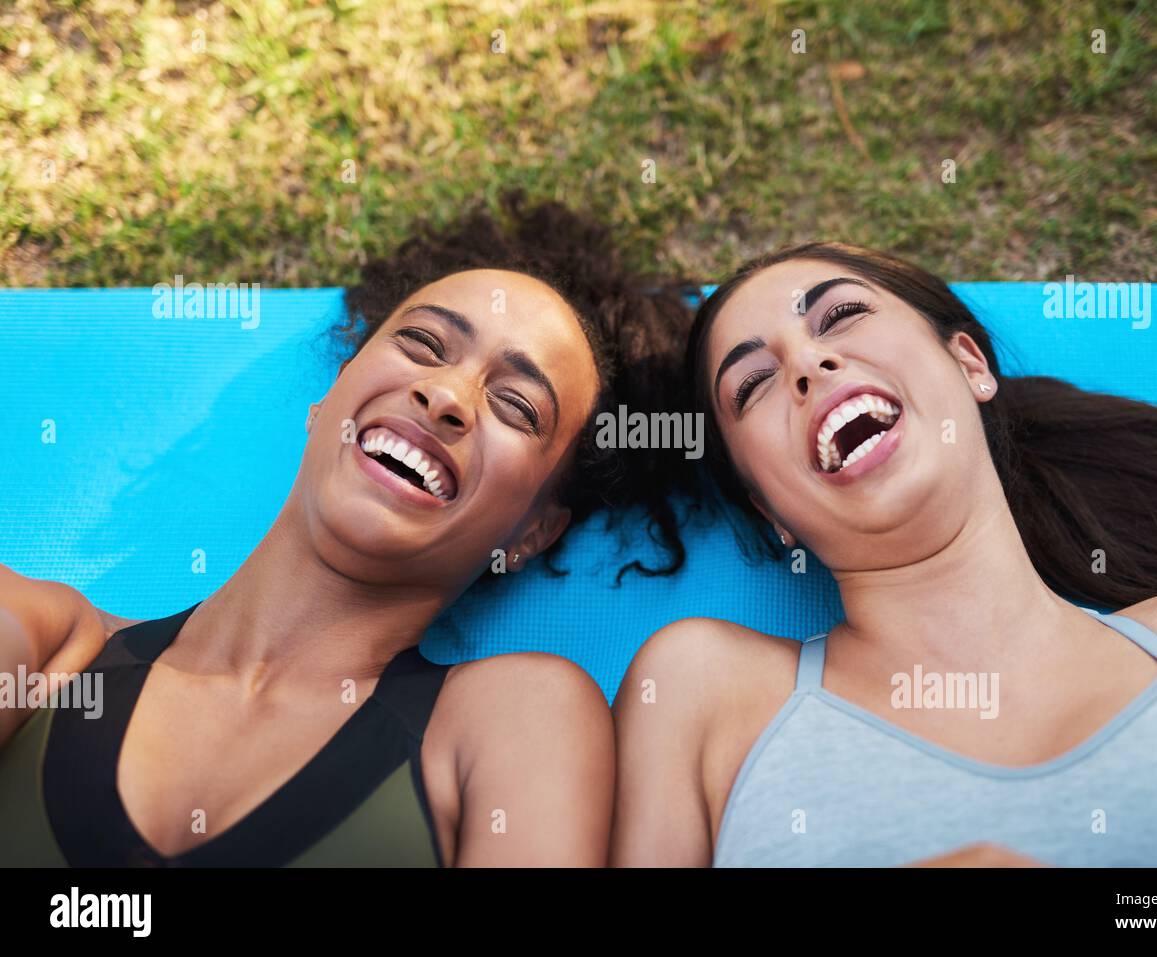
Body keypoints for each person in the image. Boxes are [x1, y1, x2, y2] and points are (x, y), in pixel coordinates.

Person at [0, 196, 693, 867]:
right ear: (327, 397)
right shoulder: (49, 643)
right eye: (423, 342)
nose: (446, 396)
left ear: (531, 534)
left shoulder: (514, 718)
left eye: (515, 404)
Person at [611, 242, 1157, 866]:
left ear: (970, 364)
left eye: (841, 314)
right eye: (753, 384)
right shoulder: (703, 692)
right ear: (769, 510)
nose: (807, 363)